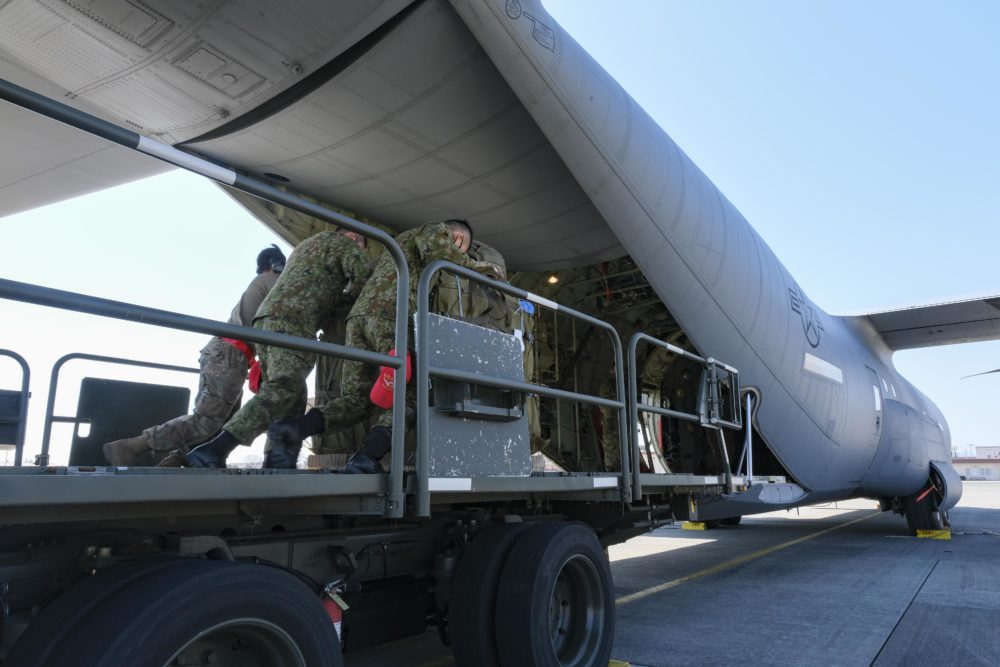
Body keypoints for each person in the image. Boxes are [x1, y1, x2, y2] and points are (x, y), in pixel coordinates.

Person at [266, 219, 476, 473]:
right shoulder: (433, 230)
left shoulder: (395, 247)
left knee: (358, 399)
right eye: (460, 246)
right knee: (412, 394)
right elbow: (435, 246)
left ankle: (295, 428)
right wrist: (478, 267)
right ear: (457, 239)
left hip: (358, 319)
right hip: (391, 316)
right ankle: (366, 457)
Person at [184, 229, 371, 469]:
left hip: (268, 319)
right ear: (354, 238)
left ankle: (278, 461)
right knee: (282, 389)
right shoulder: (346, 246)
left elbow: (315, 288)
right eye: (362, 246)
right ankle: (215, 449)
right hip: (293, 322)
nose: (360, 250)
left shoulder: (305, 246)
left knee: (294, 397)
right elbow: (365, 285)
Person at [101, 245, 286, 466]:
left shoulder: (260, 284)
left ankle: (179, 460)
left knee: (226, 421)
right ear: (275, 265)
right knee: (206, 421)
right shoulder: (272, 280)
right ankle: (132, 447)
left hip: (230, 354)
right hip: (229, 354)